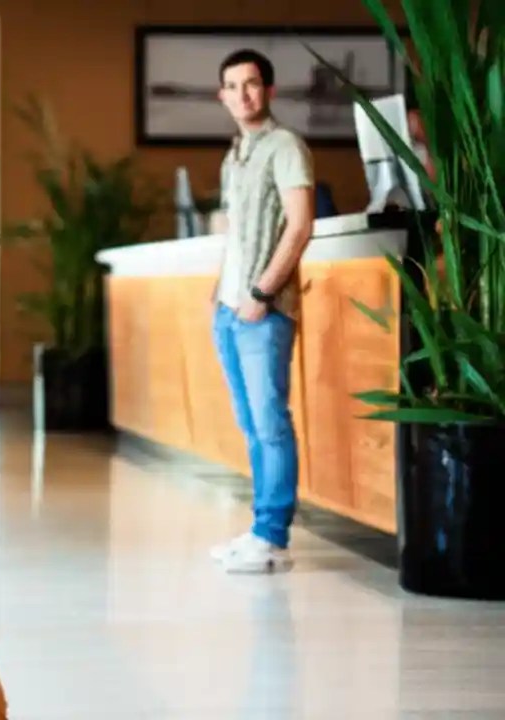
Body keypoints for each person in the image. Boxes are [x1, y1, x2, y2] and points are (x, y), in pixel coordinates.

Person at [208, 49, 316, 574]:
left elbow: (299, 226)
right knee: (252, 426)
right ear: (222, 95)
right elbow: (235, 234)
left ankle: (273, 537)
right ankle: (258, 530)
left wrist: (262, 293)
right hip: (229, 310)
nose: (243, 94)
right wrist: (220, 292)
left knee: (272, 425)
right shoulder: (238, 153)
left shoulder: (285, 146)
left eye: (252, 84)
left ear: (268, 91)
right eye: (233, 86)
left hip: (261, 309)